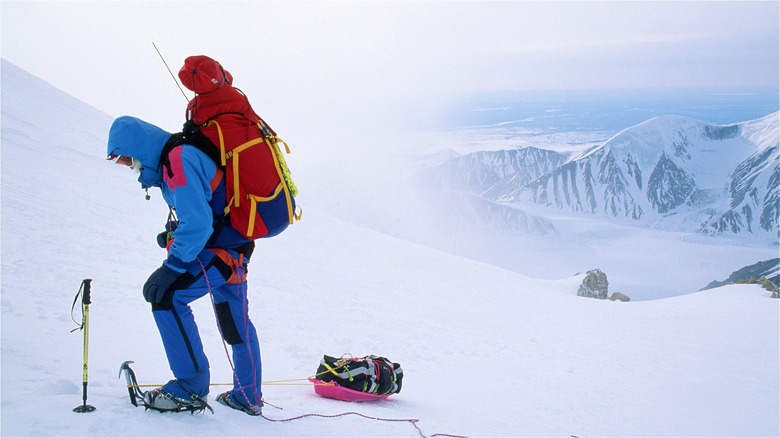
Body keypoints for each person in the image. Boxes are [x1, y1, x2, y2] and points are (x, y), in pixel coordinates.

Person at [106, 112, 264, 415]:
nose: (127, 166)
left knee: (165, 295)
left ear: (138, 147)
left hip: (222, 251)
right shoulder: (175, 159)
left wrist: (173, 265)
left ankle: (190, 387)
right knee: (235, 323)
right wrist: (174, 235)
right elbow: (206, 210)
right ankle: (248, 396)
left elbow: (201, 223)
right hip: (236, 249)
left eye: (126, 158)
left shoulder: (178, 159)